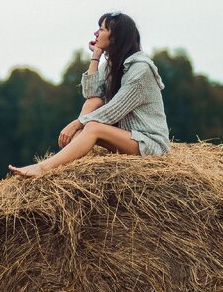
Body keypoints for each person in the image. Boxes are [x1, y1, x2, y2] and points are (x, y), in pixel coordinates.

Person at [9, 12, 170, 178]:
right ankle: (70, 163)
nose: (96, 33)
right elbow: (91, 94)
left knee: (93, 127)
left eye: (101, 29)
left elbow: (115, 110)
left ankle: (43, 168)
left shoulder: (141, 70)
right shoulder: (111, 65)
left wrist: (77, 123)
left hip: (149, 143)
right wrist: (96, 57)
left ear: (115, 37)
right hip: (126, 135)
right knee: (93, 102)